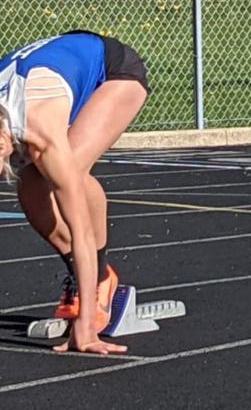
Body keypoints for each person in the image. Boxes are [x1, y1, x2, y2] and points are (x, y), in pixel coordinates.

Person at [0, 31, 149, 353]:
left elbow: (81, 231)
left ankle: (99, 281)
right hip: (51, 70)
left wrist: (85, 328)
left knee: (70, 174)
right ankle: (84, 276)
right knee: (30, 188)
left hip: (114, 71)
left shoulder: (40, 134)